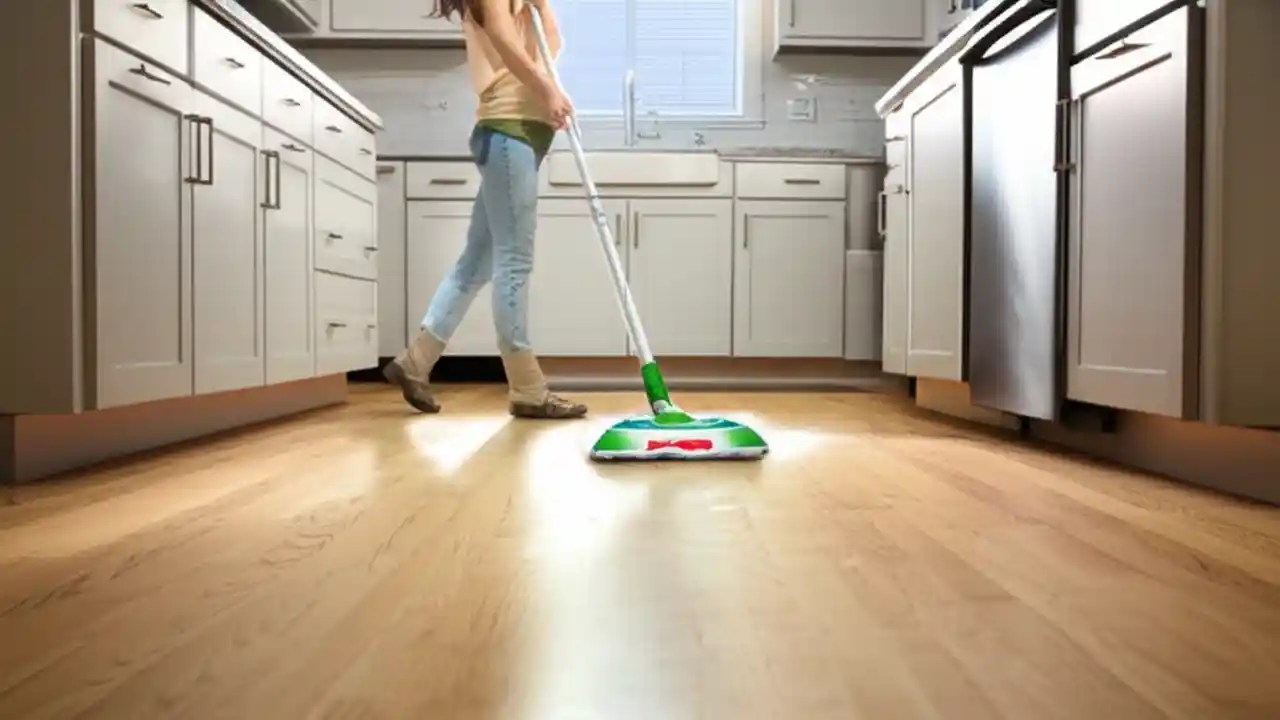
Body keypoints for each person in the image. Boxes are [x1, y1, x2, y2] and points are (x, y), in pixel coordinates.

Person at [384, 0, 588, 419]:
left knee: (476, 262)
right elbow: (504, 39)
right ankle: (528, 389)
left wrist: (552, 86)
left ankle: (415, 362)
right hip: (508, 131)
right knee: (513, 261)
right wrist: (547, 90)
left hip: (520, 136)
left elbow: (544, 46)